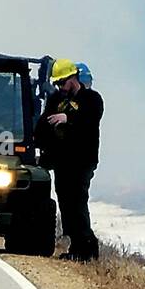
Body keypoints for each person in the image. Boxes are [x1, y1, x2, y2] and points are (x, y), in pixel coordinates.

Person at [37, 58, 104, 262]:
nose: (60, 87)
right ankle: (76, 246)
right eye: (57, 84)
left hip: (82, 161)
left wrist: (68, 119)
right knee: (65, 202)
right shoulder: (56, 100)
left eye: (62, 83)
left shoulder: (91, 99)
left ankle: (87, 248)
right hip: (61, 162)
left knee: (77, 202)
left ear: (73, 78)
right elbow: (43, 124)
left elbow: (90, 120)